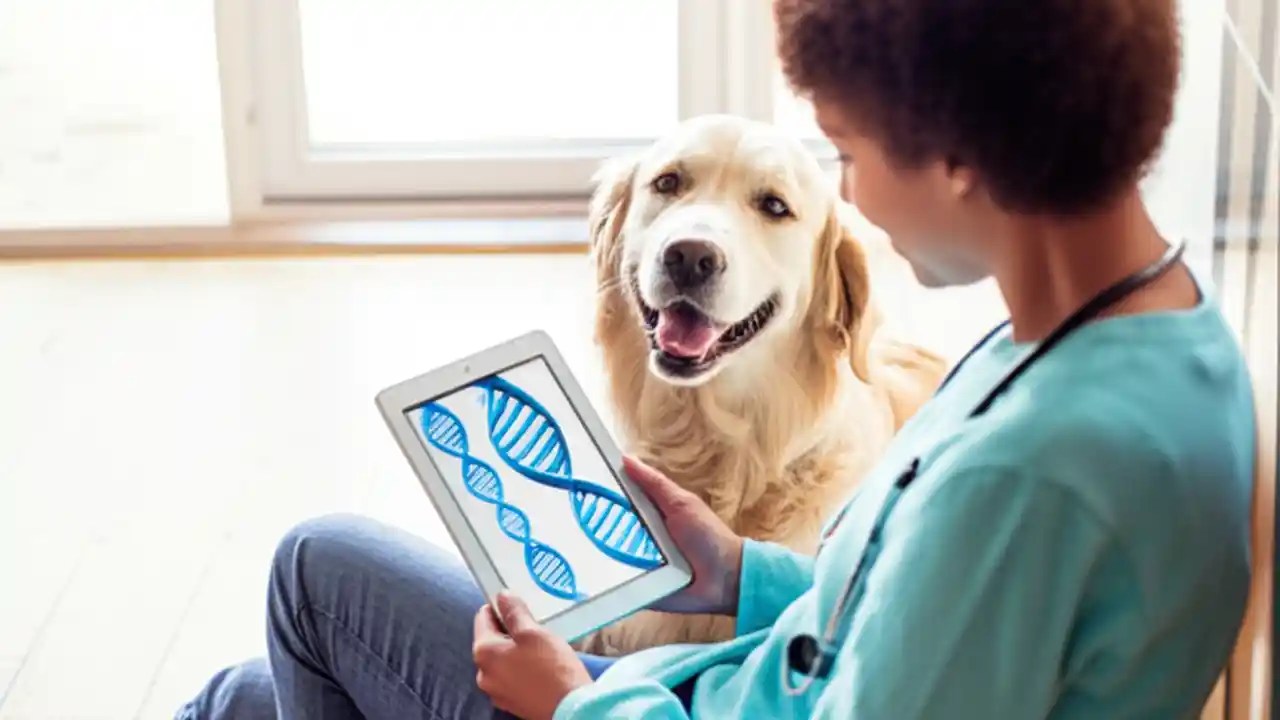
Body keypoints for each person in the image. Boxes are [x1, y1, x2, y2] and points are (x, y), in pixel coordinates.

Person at [179, 0, 1257, 718]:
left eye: (849, 152)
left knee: (313, 571)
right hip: (726, 680)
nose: (855, 196)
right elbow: (902, 627)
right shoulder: (1150, 329)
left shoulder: (1027, 479)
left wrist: (577, 702)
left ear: (958, 156)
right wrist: (741, 573)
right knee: (243, 699)